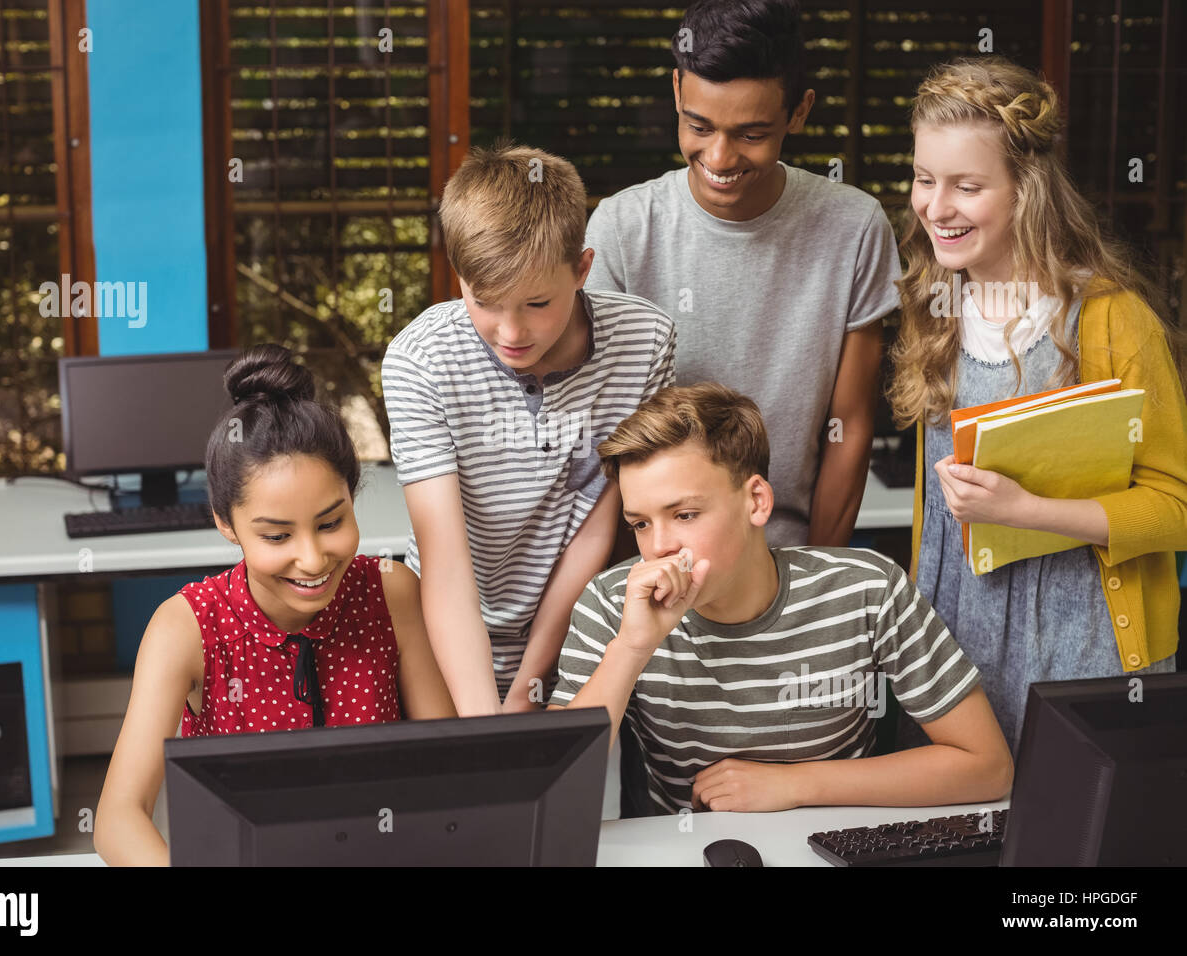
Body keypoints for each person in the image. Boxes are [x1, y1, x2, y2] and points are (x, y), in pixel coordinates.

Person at [887, 56, 1187, 752]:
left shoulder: (1112, 319)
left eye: (967, 186)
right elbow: (935, 522)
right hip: (955, 647)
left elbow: (1176, 506)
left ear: (1028, 190)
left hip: (1081, 648)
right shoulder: (937, 306)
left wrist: (1026, 513)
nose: (936, 207)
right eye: (924, 180)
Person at [548, 383, 1012, 815]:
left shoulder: (868, 590)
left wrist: (795, 785)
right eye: (641, 524)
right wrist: (631, 649)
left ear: (756, 501)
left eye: (685, 514)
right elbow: (555, 791)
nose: (660, 546)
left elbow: (988, 767)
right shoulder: (613, 604)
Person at [95, 344, 455, 865]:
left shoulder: (390, 589)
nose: (312, 560)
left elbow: (444, 767)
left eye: (331, 523)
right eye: (277, 536)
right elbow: (118, 816)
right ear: (226, 523)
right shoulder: (186, 627)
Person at [583, 0, 899, 548]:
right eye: (699, 126)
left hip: (789, 557)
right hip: (650, 565)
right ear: (678, 91)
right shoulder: (622, 228)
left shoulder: (854, 227)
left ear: (798, 112)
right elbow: (601, 434)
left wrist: (818, 580)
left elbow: (848, 431)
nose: (720, 157)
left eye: (751, 134)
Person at [381, 143, 676, 715]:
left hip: (577, 629)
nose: (511, 331)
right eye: (485, 301)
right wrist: (487, 723)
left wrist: (529, 685)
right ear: (459, 275)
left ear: (583, 269)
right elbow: (444, 565)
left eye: (537, 303)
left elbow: (598, 523)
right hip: (442, 636)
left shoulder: (645, 343)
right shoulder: (420, 360)